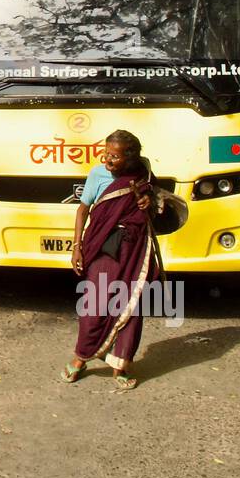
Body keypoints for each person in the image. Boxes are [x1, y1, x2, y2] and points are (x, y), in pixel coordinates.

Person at [62, 130, 162, 390]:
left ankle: (121, 365)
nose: (107, 159)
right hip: (103, 246)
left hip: (134, 248)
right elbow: (83, 209)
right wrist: (77, 247)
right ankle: (81, 357)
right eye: (106, 153)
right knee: (95, 304)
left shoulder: (143, 172)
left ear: (130, 158)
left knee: (132, 303)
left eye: (114, 157)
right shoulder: (97, 174)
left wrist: (147, 201)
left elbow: (156, 205)